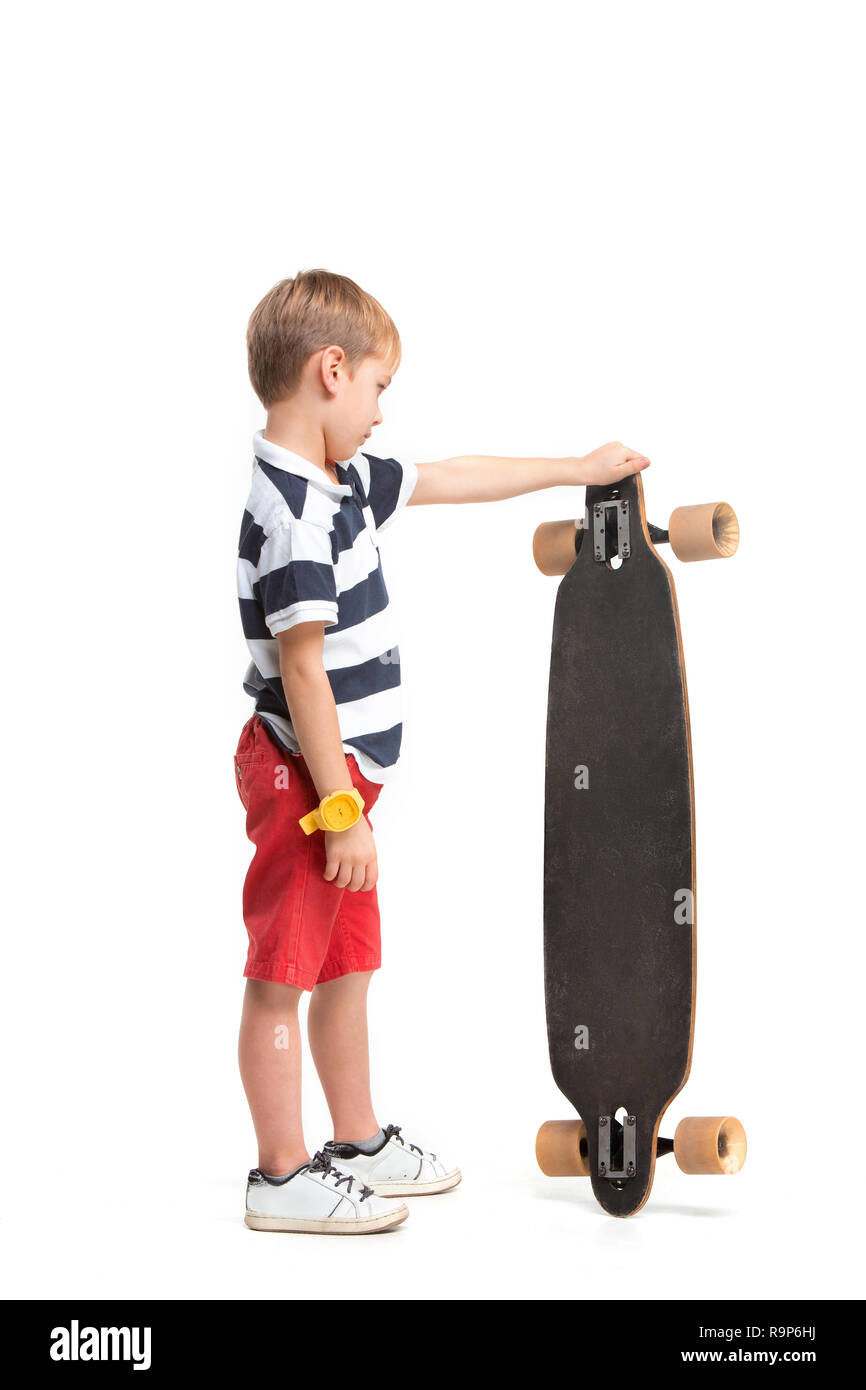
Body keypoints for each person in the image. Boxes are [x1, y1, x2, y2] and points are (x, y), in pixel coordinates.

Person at [235, 268, 650, 1234]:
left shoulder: (338, 479)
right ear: (330, 372)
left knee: (346, 968)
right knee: (282, 974)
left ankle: (358, 1141)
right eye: (380, 389)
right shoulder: (295, 514)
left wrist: (572, 468)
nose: (384, 413)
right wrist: (337, 810)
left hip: (343, 789)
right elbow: (303, 677)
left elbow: (451, 475)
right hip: (309, 783)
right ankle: (281, 1175)